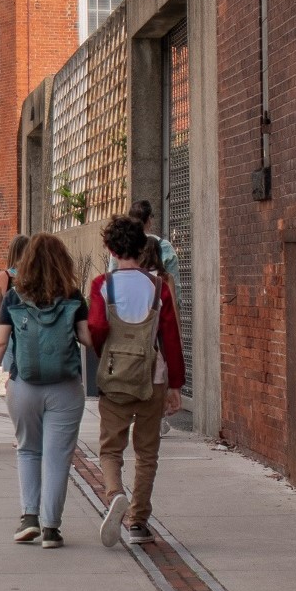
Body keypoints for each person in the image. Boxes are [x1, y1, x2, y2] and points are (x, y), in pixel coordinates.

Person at [86, 213, 188, 546]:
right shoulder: (158, 286)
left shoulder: (103, 285)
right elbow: (170, 337)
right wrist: (176, 385)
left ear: (110, 248)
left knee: (111, 448)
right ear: (142, 246)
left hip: (115, 376)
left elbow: (98, 328)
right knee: (147, 452)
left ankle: (115, 493)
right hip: (152, 376)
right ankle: (138, 521)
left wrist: (105, 352)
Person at [0, 234, 89, 547]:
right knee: (58, 457)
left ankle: (29, 516)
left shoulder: (15, 296)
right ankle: (51, 529)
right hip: (65, 388)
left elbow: (1, 342)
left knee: (29, 449)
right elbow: (87, 339)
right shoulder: (73, 295)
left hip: (24, 385)